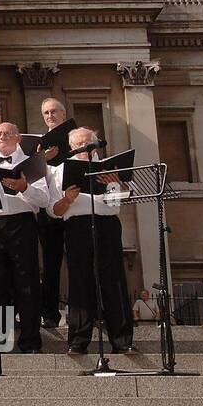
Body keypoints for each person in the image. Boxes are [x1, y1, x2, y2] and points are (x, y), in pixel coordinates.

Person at [46, 126, 135, 357]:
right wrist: (67, 199)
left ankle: (122, 340)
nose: (84, 150)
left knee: (113, 279)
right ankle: (78, 340)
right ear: (71, 148)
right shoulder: (59, 170)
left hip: (107, 223)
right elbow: (54, 210)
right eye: (78, 146)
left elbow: (116, 204)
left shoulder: (109, 166)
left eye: (88, 145)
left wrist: (115, 183)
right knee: (80, 281)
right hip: (77, 225)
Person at [0, 121, 48, 353]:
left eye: (7, 133)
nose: (2, 137)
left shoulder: (31, 163)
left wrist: (25, 187)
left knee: (27, 283)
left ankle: (31, 340)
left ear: (18, 138)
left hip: (22, 223)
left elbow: (43, 200)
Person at [37, 97, 70, 328]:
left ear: (64, 114)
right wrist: (42, 159)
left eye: (54, 111)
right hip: (48, 212)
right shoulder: (39, 145)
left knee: (81, 261)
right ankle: (49, 313)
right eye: (46, 113)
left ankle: (91, 310)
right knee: (50, 264)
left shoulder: (78, 139)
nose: (50, 116)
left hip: (74, 211)